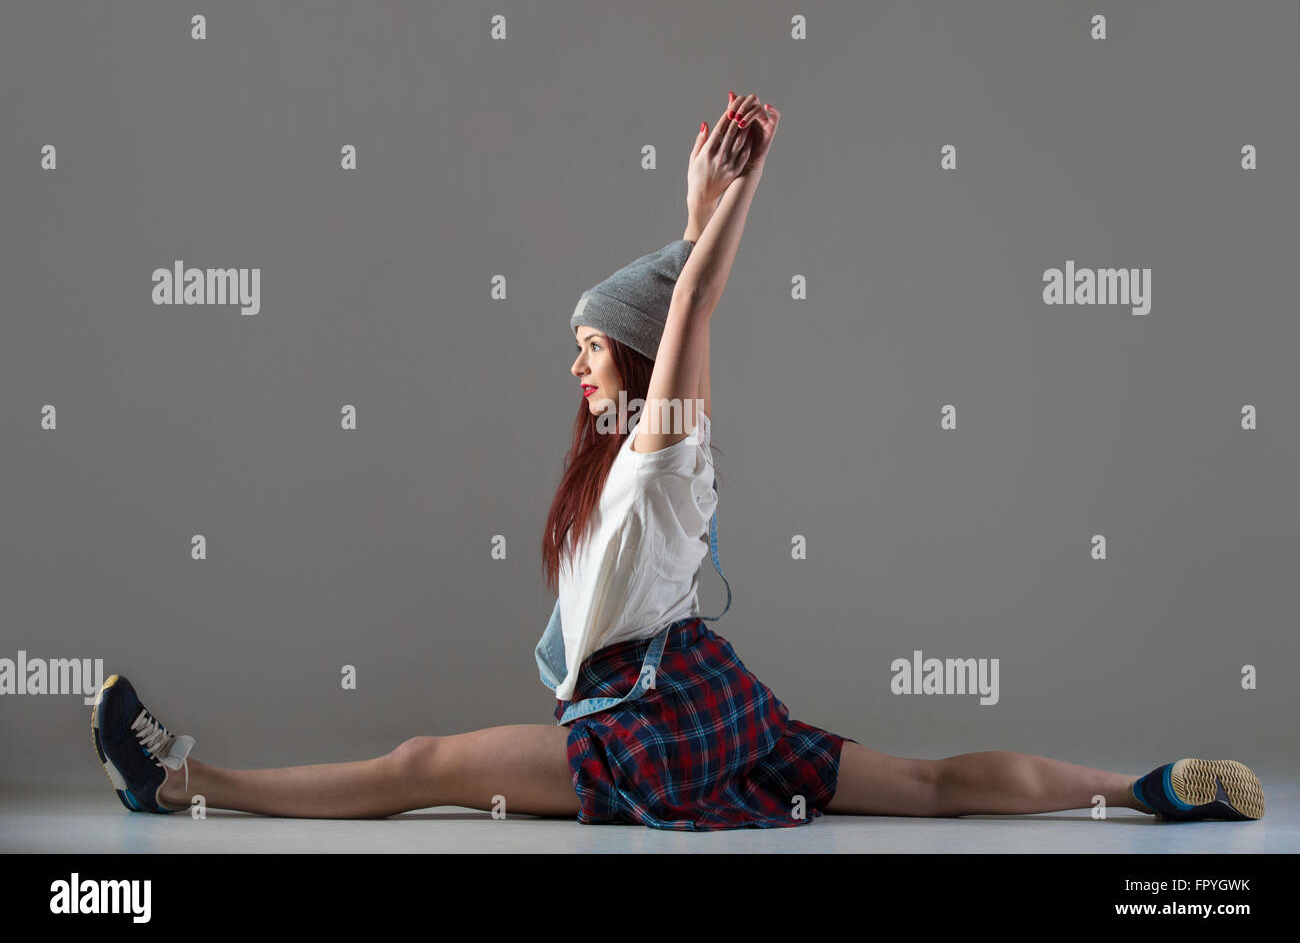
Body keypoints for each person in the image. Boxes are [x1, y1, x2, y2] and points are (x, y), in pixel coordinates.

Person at [90, 92, 1264, 828]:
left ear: (643, 363)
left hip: (649, 710)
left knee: (420, 762)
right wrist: (691, 209)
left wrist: (725, 214)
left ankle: (183, 781)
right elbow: (673, 296)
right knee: (925, 784)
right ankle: (1141, 789)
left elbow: (690, 301)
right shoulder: (625, 450)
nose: (577, 368)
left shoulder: (660, 442)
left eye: (590, 348)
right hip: (703, 691)